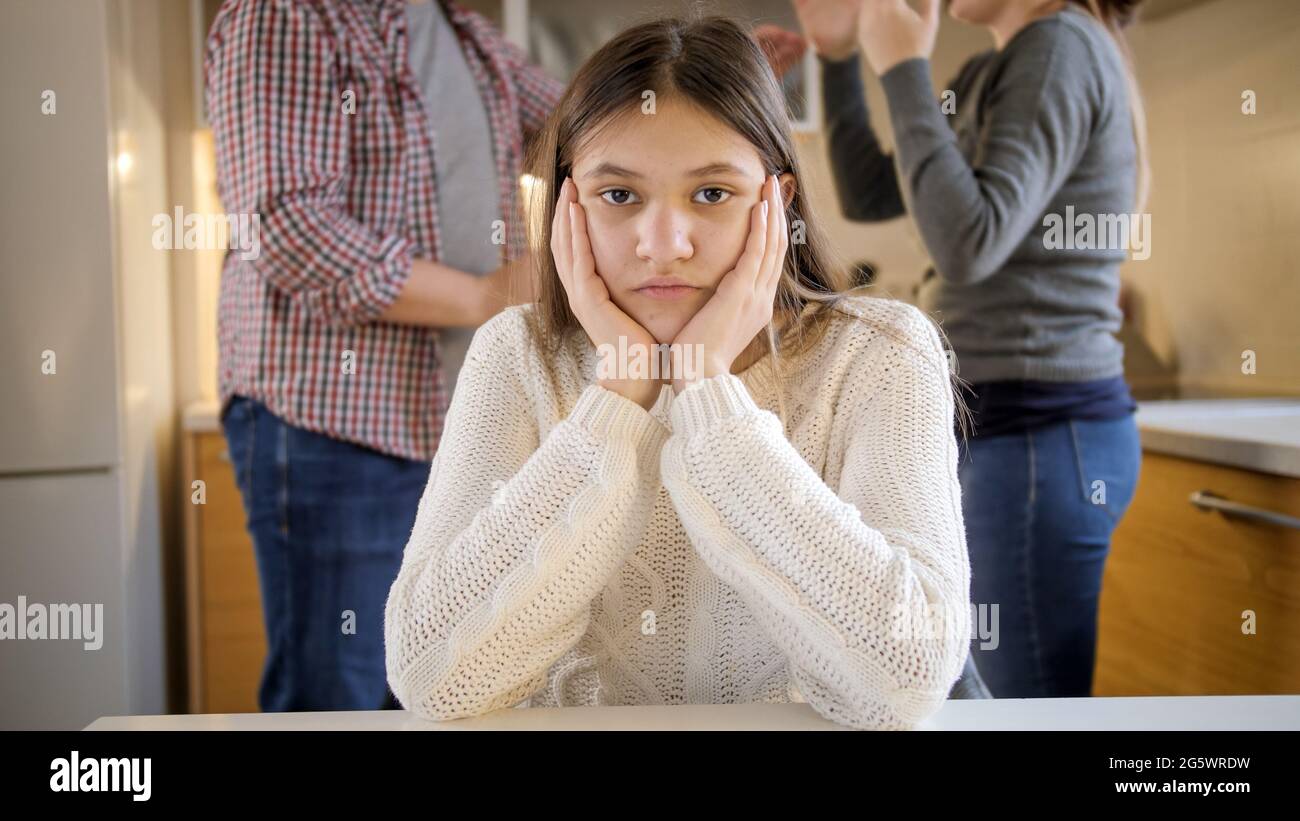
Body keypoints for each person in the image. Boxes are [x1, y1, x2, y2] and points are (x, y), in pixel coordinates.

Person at [383, 16, 977, 730]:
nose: (663, 246)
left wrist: (709, 393)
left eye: (711, 194)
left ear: (777, 204)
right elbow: (430, 676)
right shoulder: (516, 353)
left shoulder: (881, 351)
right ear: (568, 206)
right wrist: (617, 399)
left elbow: (906, 681)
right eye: (620, 195)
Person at [206, 0, 562, 711]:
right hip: (330, 427)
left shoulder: (460, 31)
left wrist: (696, 88)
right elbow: (286, 223)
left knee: (428, 688)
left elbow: (582, 121)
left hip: (444, 425)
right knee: (338, 697)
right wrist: (483, 295)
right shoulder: (285, 16)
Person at [785, 0, 1147, 697]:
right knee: (987, 698)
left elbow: (967, 242)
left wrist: (904, 66)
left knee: (1020, 708)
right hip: (1019, 433)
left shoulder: (1057, 48)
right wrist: (836, 58)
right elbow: (871, 192)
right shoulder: (1002, 67)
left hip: (1038, 435)